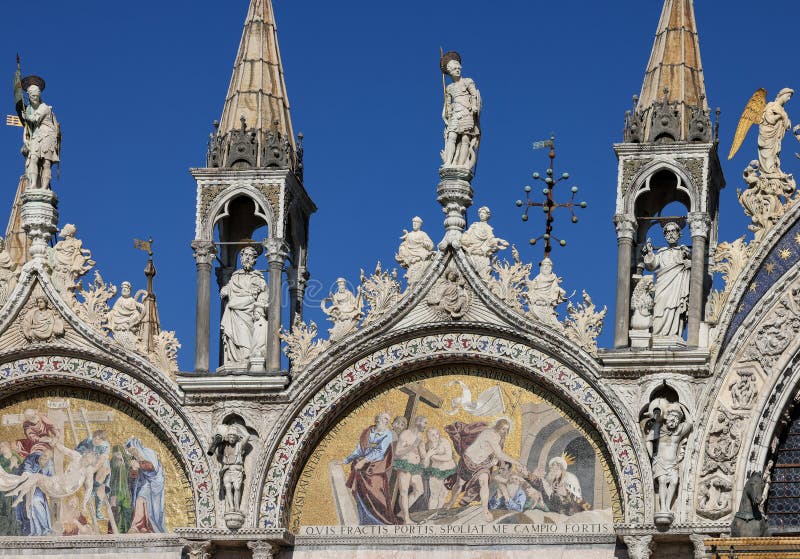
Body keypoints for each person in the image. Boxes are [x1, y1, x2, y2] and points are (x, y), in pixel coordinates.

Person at [444, 419, 526, 522]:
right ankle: (451, 501)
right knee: (459, 483)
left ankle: (485, 511)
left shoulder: (499, 438)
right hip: (469, 461)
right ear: (497, 426)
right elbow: (499, 454)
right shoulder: (489, 433)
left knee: (484, 483)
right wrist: (517, 463)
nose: (504, 431)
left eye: (506, 429)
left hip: (483, 464)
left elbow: (497, 454)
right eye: (503, 428)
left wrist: (499, 463)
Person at [343, 412, 398, 525]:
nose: (381, 421)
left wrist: (363, 461)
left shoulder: (387, 434)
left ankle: (381, 522)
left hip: (375, 470)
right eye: (379, 419)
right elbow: (360, 449)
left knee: (378, 497)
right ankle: (364, 521)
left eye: (385, 420)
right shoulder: (368, 431)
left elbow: (380, 452)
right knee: (360, 495)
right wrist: (348, 459)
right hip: (361, 469)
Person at [220, 246, 268, 366]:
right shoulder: (235, 276)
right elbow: (230, 287)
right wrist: (225, 290)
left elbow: (264, 294)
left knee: (246, 336)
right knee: (233, 336)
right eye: (245, 255)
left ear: (254, 260)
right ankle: (235, 360)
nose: (247, 258)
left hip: (249, 312)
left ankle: (246, 359)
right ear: (241, 258)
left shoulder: (258, 277)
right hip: (234, 311)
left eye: (250, 256)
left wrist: (259, 307)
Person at [642, 222, 691, 338]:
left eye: (673, 231)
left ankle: (673, 333)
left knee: (675, 306)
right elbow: (652, 265)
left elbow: (695, 266)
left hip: (677, 285)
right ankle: (658, 333)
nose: (671, 235)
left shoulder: (683, 251)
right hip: (662, 285)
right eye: (668, 232)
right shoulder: (662, 252)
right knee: (659, 306)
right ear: (665, 236)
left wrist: (689, 259)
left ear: (679, 234)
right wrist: (649, 253)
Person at [440, 51, 481, 169]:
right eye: (454, 69)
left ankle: (462, 164)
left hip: (466, 112)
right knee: (451, 136)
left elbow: (474, 95)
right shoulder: (449, 88)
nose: (457, 70)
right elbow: (447, 104)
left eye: (458, 68)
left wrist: (474, 106)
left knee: (465, 138)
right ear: (449, 72)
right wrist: (447, 113)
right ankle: (448, 162)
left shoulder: (468, 81)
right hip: (455, 114)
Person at [18, 82, 59, 190]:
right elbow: (28, 127)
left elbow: (35, 119)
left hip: (47, 136)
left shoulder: (44, 107)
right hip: (37, 135)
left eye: (36, 96)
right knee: (33, 158)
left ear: (39, 96)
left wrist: (26, 116)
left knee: (46, 162)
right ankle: (33, 184)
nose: (35, 98)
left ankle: (44, 187)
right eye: (32, 96)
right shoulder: (29, 109)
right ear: (29, 97)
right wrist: (25, 138)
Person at [125, 438, 166, 533]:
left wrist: (140, 465)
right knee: (139, 500)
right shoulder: (134, 458)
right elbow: (134, 475)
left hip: (154, 483)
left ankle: (136, 526)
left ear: (136, 447)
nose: (132, 452)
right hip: (143, 483)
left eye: (132, 449)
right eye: (130, 451)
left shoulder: (148, 452)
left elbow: (152, 468)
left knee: (141, 499)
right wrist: (133, 472)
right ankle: (144, 526)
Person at [394, 416, 427, 524]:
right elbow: (397, 452)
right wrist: (413, 446)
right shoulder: (406, 434)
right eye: (424, 423)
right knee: (403, 491)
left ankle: (402, 512)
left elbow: (422, 454)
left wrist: (423, 449)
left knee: (419, 490)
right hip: (405, 464)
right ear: (417, 422)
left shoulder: (420, 436)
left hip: (415, 466)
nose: (425, 426)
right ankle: (406, 519)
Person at [758, 88, 794, 175]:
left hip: (776, 138)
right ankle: (768, 171)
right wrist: (780, 116)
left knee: (775, 155)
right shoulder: (771, 105)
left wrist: (783, 116)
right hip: (767, 135)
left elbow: (788, 126)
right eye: (788, 96)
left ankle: (774, 169)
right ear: (782, 95)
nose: (788, 99)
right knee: (768, 154)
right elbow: (770, 120)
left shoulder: (782, 110)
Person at [50, 224, 94, 293]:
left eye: (63, 229)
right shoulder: (60, 243)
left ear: (68, 233)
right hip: (58, 269)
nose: (61, 230)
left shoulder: (75, 244)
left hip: (66, 270)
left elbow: (78, 256)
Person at [526, 258, 567, 328]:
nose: (546, 267)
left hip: (548, 301)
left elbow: (555, 288)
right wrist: (526, 276)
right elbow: (531, 286)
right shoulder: (538, 277)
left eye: (548, 265)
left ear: (550, 267)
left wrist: (560, 293)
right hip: (538, 300)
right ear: (541, 267)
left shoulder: (553, 277)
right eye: (544, 265)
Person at [422, 428, 456, 510]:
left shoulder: (444, 442)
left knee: (443, 494)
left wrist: (433, 456)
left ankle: (437, 514)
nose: (435, 436)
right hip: (436, 471)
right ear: (428, 436)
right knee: (434, 495)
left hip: (449, 471)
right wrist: (427, 456)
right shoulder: (427, 446)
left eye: (436, 434)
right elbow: (425, 465)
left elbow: (448, 457)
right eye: (432, 435)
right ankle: (430, 515)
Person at [395, 217, 434, 285]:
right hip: (411, 254)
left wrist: (425, 243)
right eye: (413, 223)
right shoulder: (409, 235)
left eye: (416, 223)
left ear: (420, 225)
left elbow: (431, 246)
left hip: (421, 253)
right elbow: (404, 245)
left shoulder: (423, 234)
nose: (414, 224)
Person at [108, 282, 145, 347]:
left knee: (136, 314)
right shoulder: (119, 300)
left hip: (128, 321)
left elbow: (140, 309)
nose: (124, 290)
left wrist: (138, 318)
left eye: (126, 288)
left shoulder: (132, 300)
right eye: (123, 288)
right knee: (110, 314)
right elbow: (114, 310)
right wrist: (109, 315)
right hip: (118, 319)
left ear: (129, 290)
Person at [109, 444, 133, 533]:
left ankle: (125, 529)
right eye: (115, 452)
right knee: (115, 509)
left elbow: (130, 468)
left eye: (119, 452)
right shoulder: (113, 462)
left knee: (126, 509)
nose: (117, 454)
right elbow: (111, 474)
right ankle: (114, 530)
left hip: (125, 489)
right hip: (115, 489)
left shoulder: (125, 461)